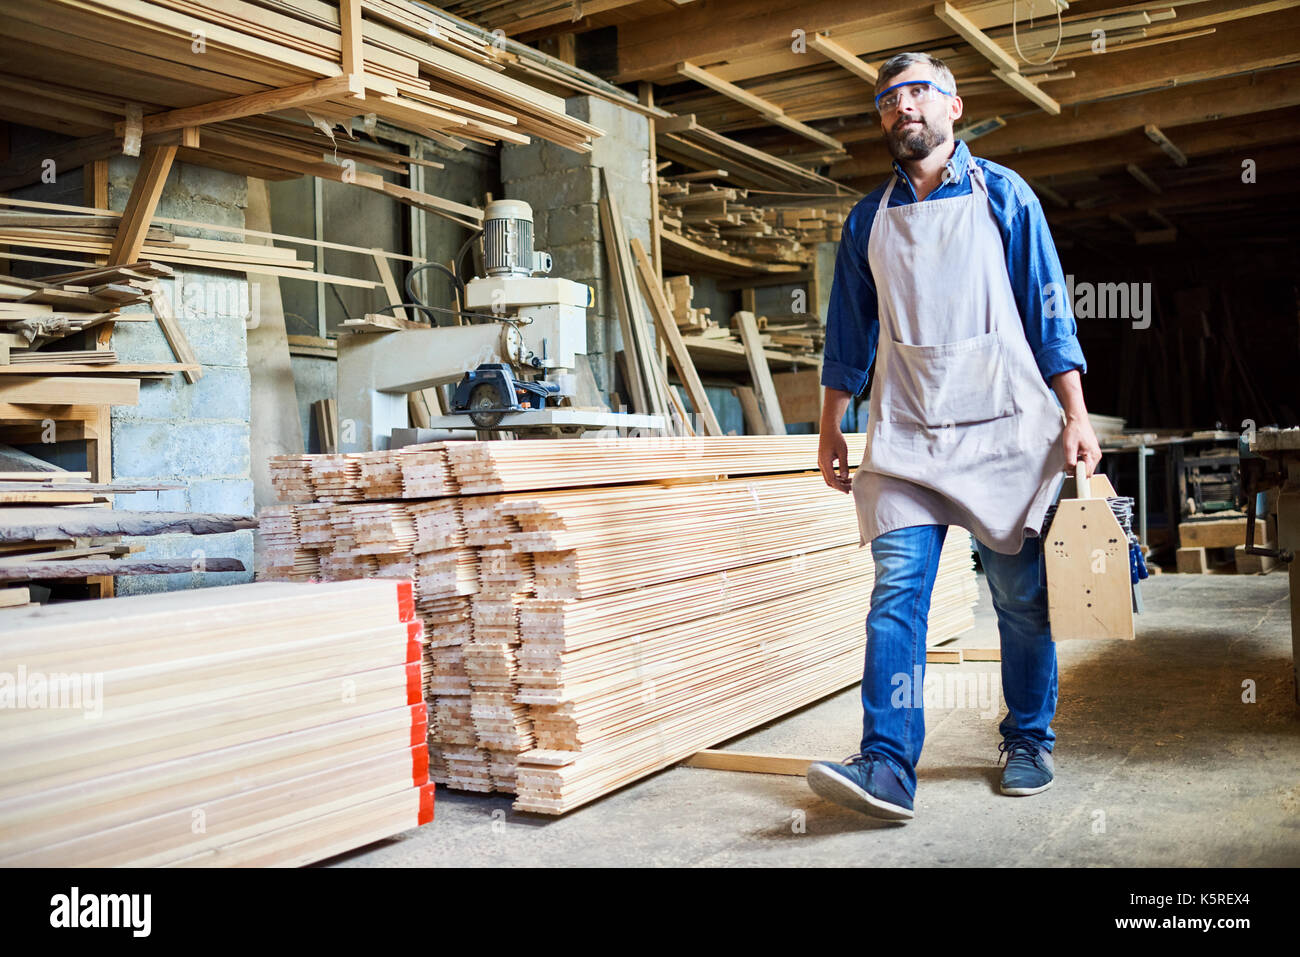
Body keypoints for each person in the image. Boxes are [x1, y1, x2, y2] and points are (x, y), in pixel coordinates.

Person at [806, 52, 1102, 823]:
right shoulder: (867, 219)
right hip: (906, 436)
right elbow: (849, 329)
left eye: (917, 92)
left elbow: (1047, 310)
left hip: (1005, 431)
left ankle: (1029, 737)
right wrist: (834, 422)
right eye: (887, 99)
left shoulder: (1004, 195)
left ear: (953, 107)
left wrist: (1075, 413)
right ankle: (888, 763)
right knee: (896, 594)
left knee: (1019, 600)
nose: (902, 106)